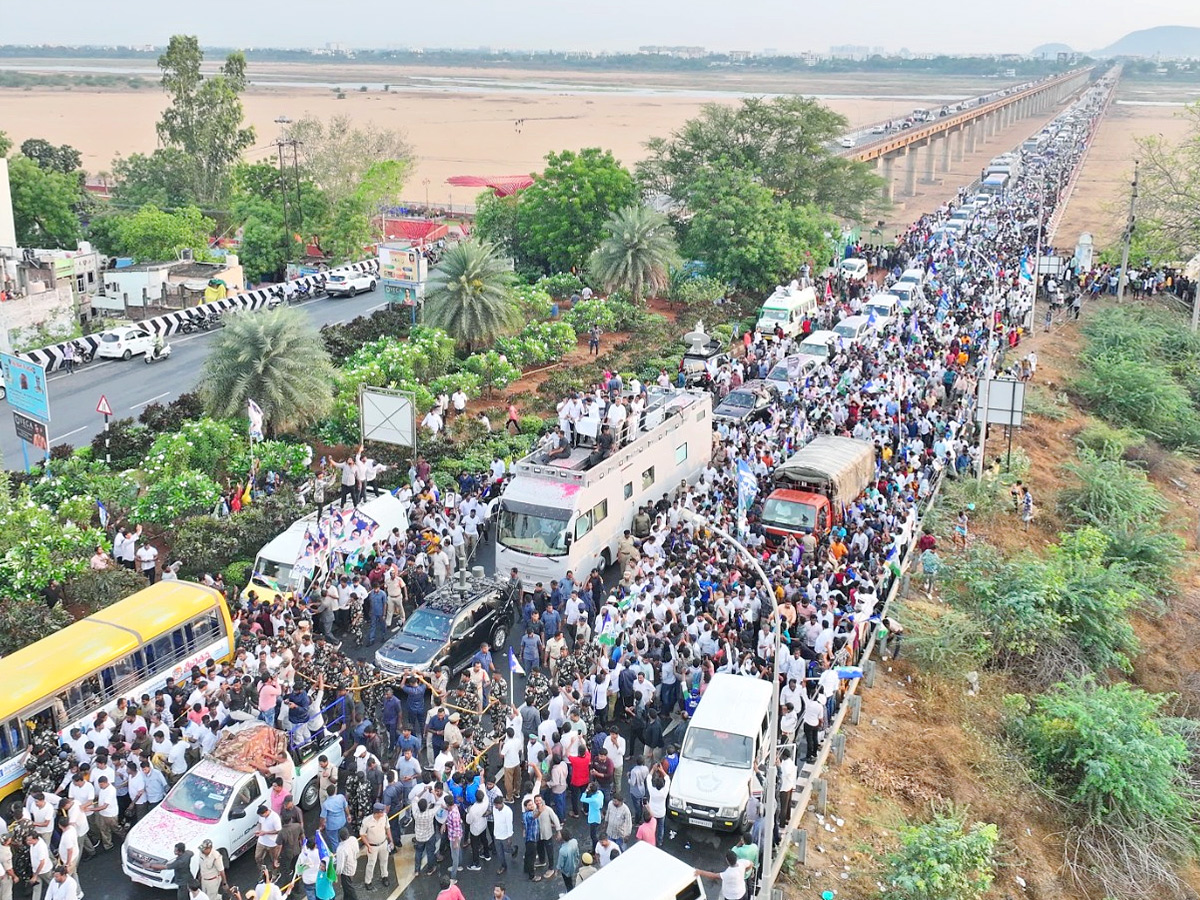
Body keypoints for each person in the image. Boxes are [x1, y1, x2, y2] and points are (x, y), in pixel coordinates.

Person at [359, 803, 392, 889]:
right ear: (377, 812)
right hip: (372, 846)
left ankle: (384, 876)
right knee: (371, 864)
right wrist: (368, 846)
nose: (383, 813)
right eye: (382, 811)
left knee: (384, 861)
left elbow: (387, 828)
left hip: (383, 843)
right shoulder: (366, 821)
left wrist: (391, 840)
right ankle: (368, 881)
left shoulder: (384, 817)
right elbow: (362, 834)